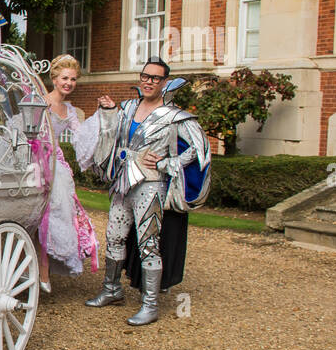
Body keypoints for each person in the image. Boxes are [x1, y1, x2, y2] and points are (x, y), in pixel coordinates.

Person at [82, 57, 212, 325]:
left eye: (155, 78)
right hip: (122, 183)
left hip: (151, 185)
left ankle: (150, 304)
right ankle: (111, 289)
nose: (148, 81)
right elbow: (113, 136)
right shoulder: (128, 108)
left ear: (165, 83)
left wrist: (169, 163)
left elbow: (200, 149)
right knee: (115, 237)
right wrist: (108, 113)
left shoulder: (176, 116)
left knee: (148, 244)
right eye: (145, 76)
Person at [34, 55, 100, 292]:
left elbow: (82, 137)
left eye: (73, 79)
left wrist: (103, 118)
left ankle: (44, 271)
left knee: (61, 210)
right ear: (54, 79)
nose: (69, 83)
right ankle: (37, 270)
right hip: (35, 159)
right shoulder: (39, 101)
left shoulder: (70, 110)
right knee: (40, 214)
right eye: (64, 78)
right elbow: (25, 130)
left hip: (56, 162)